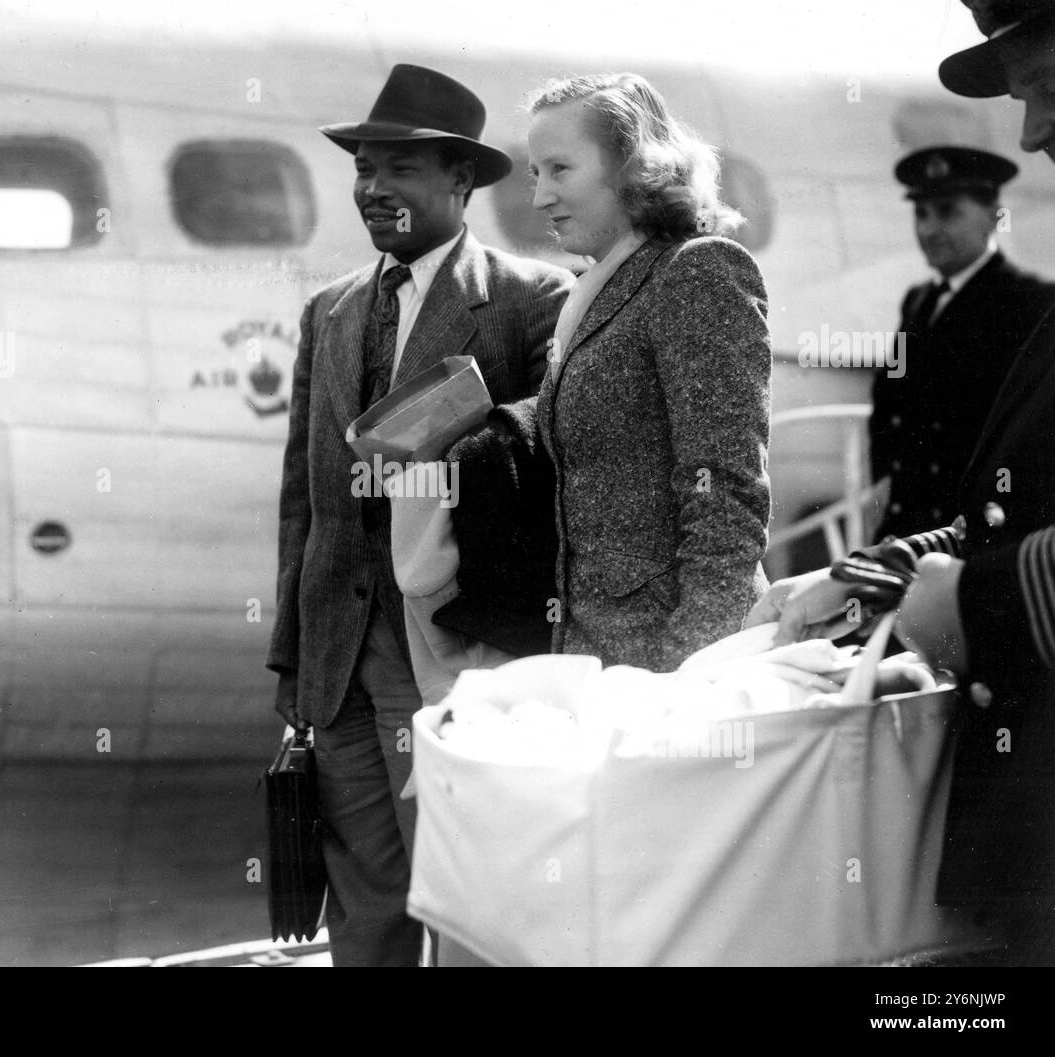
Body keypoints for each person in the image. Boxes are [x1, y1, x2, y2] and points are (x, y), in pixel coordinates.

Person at [748, 0, 1055, 965]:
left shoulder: (1022, 306)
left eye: (1049, 91)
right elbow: (1008, 503)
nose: (1035, 128)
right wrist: (873, 570)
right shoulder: (928, 309)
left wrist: (976, 596)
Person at [267, 64, 573, 966]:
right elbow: (303, 496)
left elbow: (546, 480)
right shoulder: (330, 310)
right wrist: (291, 653)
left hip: (446, 651)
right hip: (339, 660)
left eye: (398, 167)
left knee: (468, 899)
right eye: (364, 166)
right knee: (365, 905)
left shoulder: (532, 302)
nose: (372, 186)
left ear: (460, 180)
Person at [524, 73, 772, 672]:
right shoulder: (597, 289)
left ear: (634, 167)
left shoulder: (696, 272)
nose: (539, 197)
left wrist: (688, 672)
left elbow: (725, 496)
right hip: (597, 654)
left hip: (666, 659)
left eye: (560, 170)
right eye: (536, 174)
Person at [871, 146, 1055, 538]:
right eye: (921, 213)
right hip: (907, 521)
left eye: (947, 212)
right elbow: (889, 401)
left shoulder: (1032, 304)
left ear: (993, 217)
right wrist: (883, 483)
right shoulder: (918, 302)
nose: (928, 229)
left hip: (974, 531)